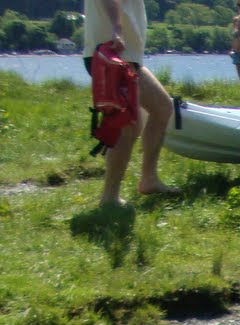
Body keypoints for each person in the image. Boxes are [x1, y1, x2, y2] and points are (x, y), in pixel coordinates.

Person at [83, 0, 176, 207]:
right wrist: (117, 28)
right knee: (127, 126)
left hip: (125, 55)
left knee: (161, 109)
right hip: (112, 53)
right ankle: (110, 197)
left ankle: (149, 179)